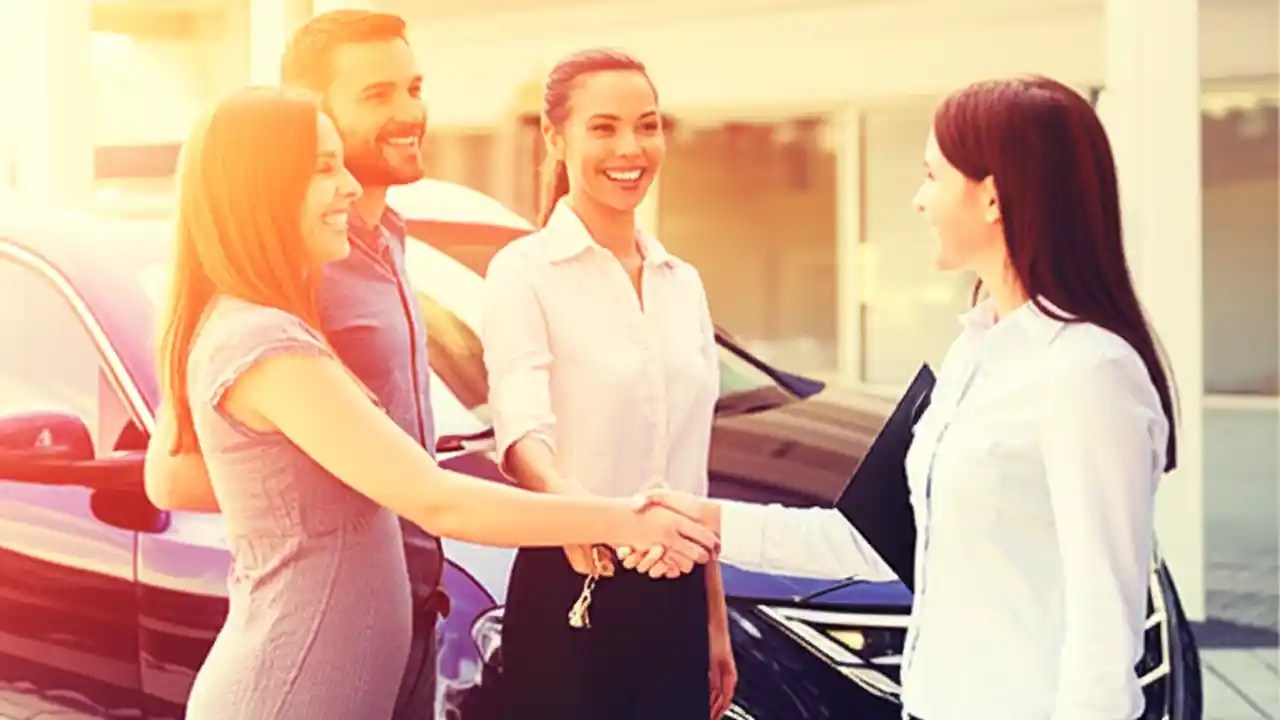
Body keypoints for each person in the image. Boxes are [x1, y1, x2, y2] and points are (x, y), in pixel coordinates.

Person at [154, 84, 718, 720]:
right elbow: (437, 499)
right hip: (291, 693)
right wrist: (623, 520)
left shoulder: (271, 328)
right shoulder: (267, 343)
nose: (347, 186)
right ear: (255, 189)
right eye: (322, 168)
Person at [630, 75, 1179, 720]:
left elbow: (1104, 629)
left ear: (994, 197)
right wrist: (703, 519)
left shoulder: (1088, 374)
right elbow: (875, 543)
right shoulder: (977, 351)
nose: (918, 201)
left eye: (932, 176)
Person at [145, 10, 443, 718]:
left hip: (418, 614)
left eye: (414, 86)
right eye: (377, 95)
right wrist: (351, 479)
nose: (410, 112)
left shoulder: (383, 243)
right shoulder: (287, 278)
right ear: (313, 114)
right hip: (323, 630)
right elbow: (173, 472)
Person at [481, 49, 736, 720]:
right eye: (604, 128)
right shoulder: (524, 272)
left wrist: (713, 619)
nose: (632, 148)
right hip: (573, 585)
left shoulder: (682, 281)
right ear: (555, 136)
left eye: (647, 126)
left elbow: (692, 475)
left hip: (678, 596)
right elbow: (521, 429)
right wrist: (580, 513)